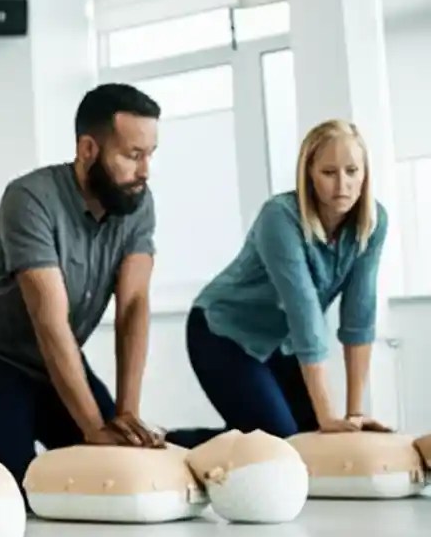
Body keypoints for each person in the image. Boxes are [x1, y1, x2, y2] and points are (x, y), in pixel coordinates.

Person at [0, 83, 167, 491]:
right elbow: (50, 323)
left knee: (114, 467)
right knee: (16, 487)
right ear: (88, 150)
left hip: (51, 366)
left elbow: (133, 305)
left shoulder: (137, 202)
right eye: (133, 156)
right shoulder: (29, 198)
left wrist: (124, 414)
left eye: (150, 155)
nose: (145, 171)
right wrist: (94, 429)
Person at [167, 120, 390, 448]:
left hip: (280, 345)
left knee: (311, 441)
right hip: (223, 333)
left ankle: (226, 436)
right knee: (285, 443)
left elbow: (360, 315)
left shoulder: (372, 221)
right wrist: (328, 415)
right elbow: (305, 314)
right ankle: (167, 441)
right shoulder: (280, 216)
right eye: (329, 172)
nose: (342, 184)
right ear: (309, 173)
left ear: (365, 173)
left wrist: (354, 413)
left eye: (352, 170)